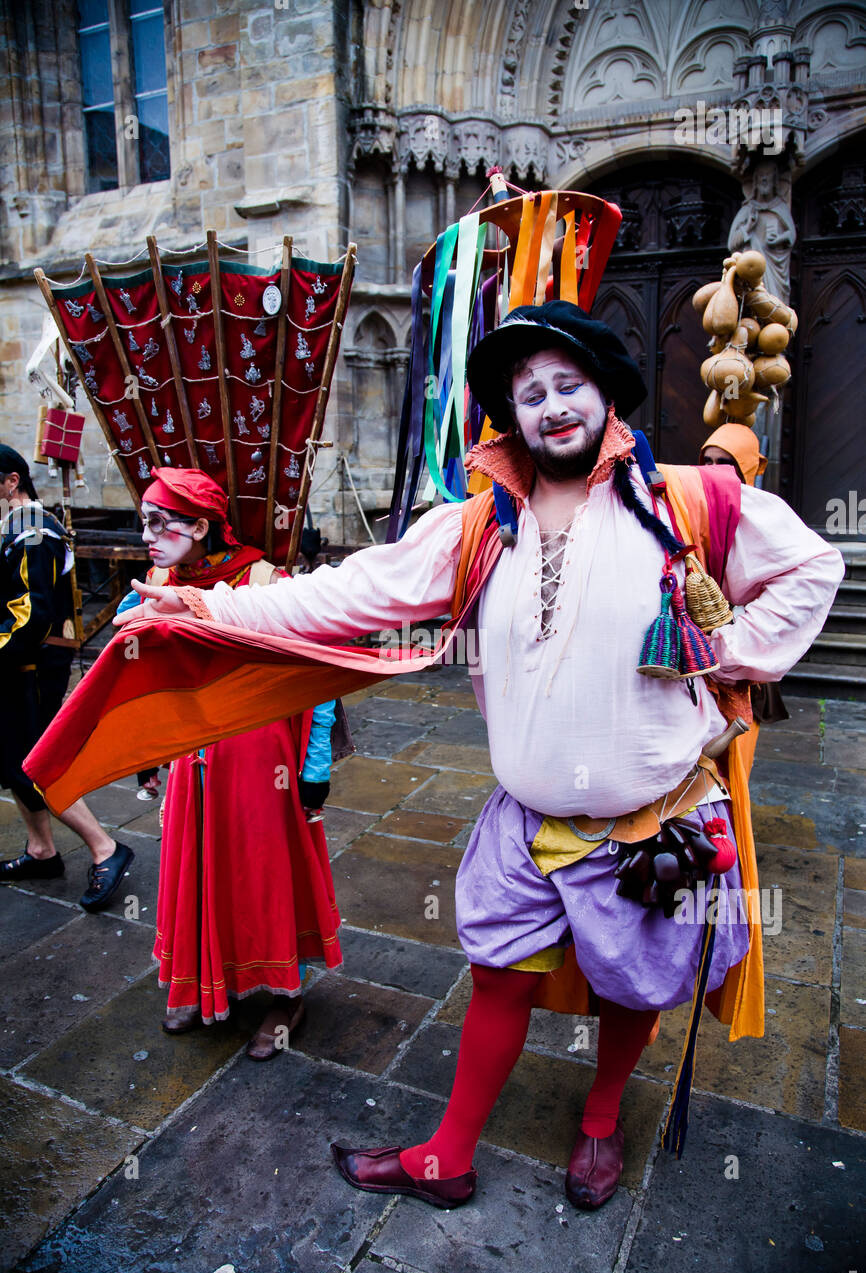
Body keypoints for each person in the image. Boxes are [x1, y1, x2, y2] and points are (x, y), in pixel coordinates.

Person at [107, 303, 844, 1210]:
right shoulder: (478, 526)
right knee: (497, 977)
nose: (552, 406)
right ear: (512, 414)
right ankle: (445, 1157)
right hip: (525, 819)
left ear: (607, 393)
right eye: (529, 393)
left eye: (568, 385)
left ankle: (603, 1122)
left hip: (654, 820)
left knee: (632, 988)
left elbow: (814, 566)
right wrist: (209, 611)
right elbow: (350, 592)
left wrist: (726, 648)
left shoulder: (691, 500)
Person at [116, 467, 342, 1058]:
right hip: (190, 753)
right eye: (143, 521)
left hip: (259, 751)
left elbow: (315, 674)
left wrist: (314, 766)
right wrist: (144, 743)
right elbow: (133, 668)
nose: (147, 534)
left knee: (261, 866)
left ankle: (287, 993)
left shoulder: (267, 579)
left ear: (200, 524)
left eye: (159, 521)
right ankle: (204, 978)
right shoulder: (158, 581)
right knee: (195, 860)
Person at [0, 444, 133, 910]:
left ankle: (105, 847)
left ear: (11, 481)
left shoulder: (32, 529)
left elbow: (30, 615)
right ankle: (42, 850)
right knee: (12, 758)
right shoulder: (12, 526)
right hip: (15, 663)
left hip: (33, 663)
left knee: (35, 763)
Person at [697, 422, 789, 734]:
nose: (713, 470)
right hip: (702, 648)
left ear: (744, 466)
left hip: (741, 647)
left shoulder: (768, 517)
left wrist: (744, 625)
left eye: (724, 462)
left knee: (739, 737)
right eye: (707, 462)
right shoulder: (698, 506)